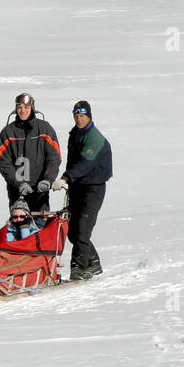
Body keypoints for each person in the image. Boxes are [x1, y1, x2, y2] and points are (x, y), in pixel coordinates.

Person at [58, 100, 112, 280]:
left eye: (82, 116)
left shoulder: (93, 138)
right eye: (76, 116)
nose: (79, 119)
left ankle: (78, 269)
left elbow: (85, 164)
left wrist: (66, 177)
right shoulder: (75, 134)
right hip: (78, 187)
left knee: (82, 230)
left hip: (93, 188)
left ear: (89, 117)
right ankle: (93, 263)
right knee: (72, 230)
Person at [0, 92, 61, 213]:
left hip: (40, 188)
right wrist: (17, 183)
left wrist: (48, 179)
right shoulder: (8, 132)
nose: (23, 110)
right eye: (19, 107)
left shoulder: (45, 129)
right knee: (20, 224)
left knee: (40, 223)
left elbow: (54, 156)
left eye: (26, 107)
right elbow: (3, 162)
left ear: (32, 108)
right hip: (17, 190)